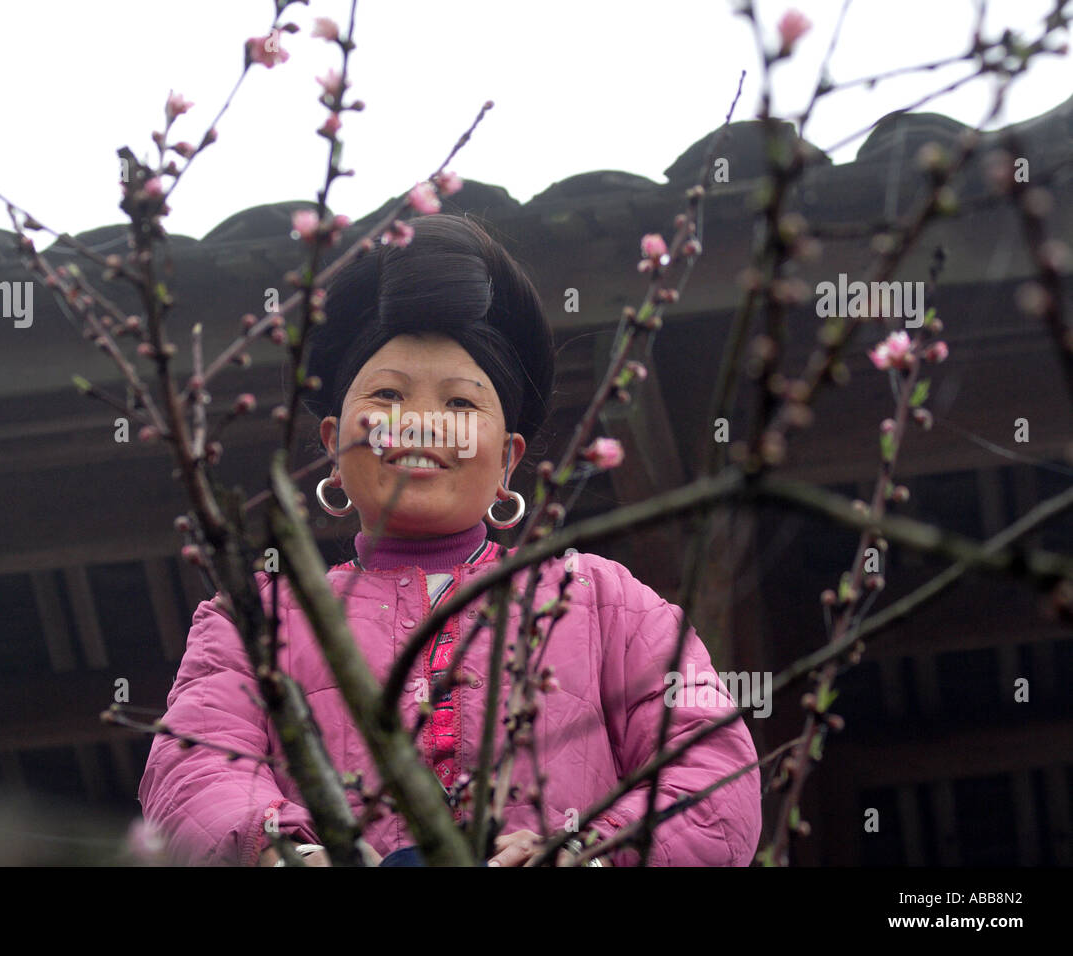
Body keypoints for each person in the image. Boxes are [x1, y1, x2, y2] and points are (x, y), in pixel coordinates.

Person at [137, 213, 762, 866]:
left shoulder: (609, 603)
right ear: (331, 446)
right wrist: (280, 853)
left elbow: (713, 776)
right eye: (386, 395)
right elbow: (194, 768)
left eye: (461, 405)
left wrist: (587, 855)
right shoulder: (252, 622)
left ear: (509, 462)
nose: (422, 426)